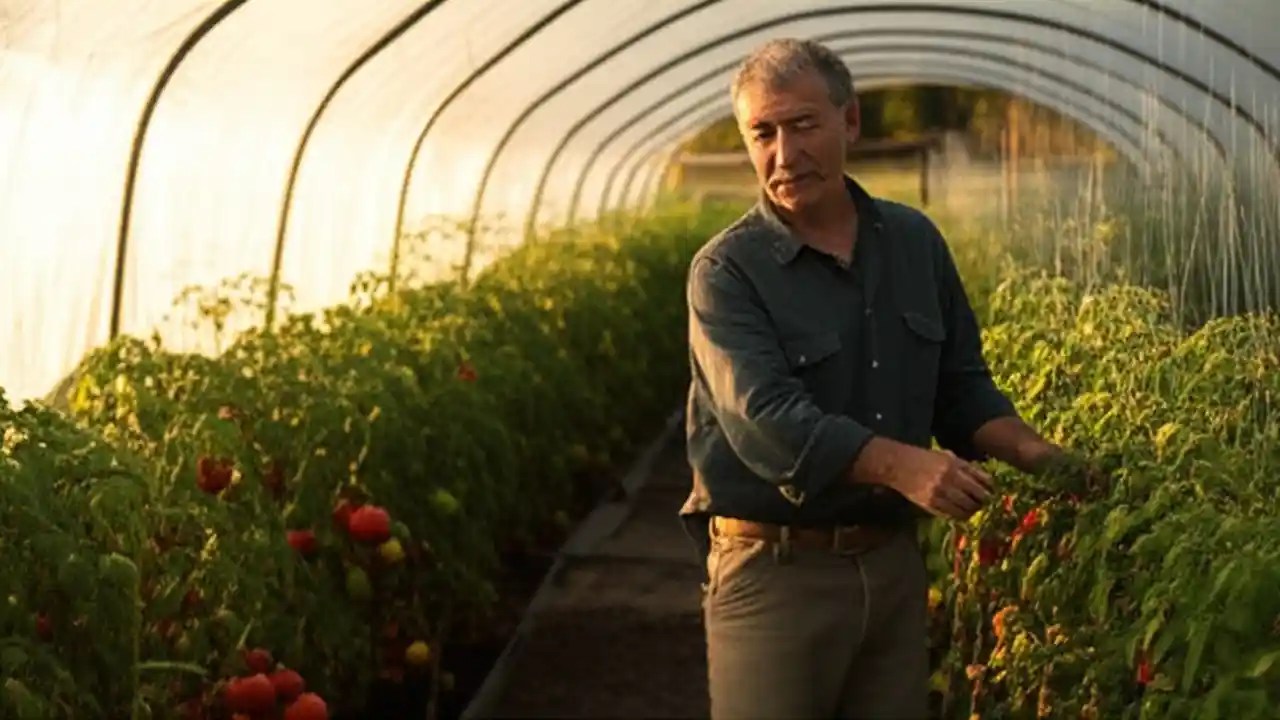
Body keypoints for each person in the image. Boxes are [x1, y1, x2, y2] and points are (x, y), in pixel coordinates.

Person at [679, 38, 1091, 719]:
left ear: (850, 122)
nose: (784, 154)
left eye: (803, 125)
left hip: (891, 567)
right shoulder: (727, 271)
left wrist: (1039, 455)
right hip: (776, 576)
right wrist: (903, 466)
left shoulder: (913, 243)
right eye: (763, 133)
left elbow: (961, 388)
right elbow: (768, 421)